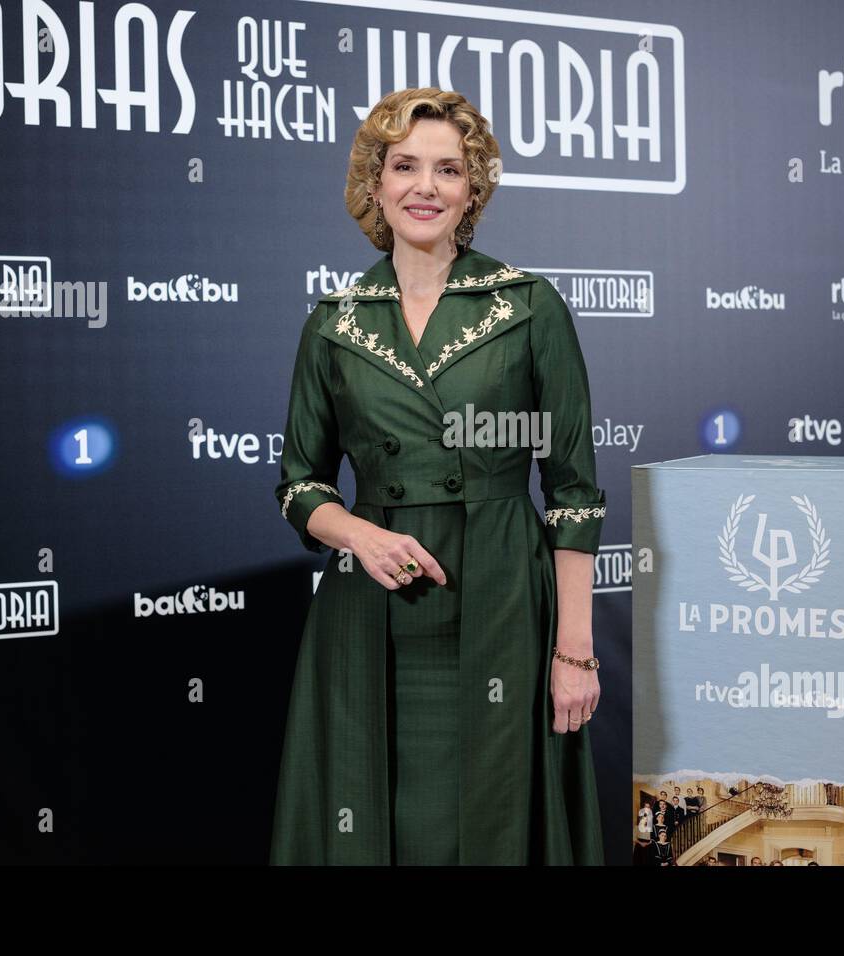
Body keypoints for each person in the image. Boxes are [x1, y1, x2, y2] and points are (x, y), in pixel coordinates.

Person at [270, 88, 608, 865]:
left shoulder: (528, 308)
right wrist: (355, 531)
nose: (425, 186)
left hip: (502, 607)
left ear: (472, 190)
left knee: (492, 824)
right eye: (405, 166)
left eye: (448, 169)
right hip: (367, 618)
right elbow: (299, 484)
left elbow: (573, 493)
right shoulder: (335, 319)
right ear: (375, 185)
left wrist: (574, 651)